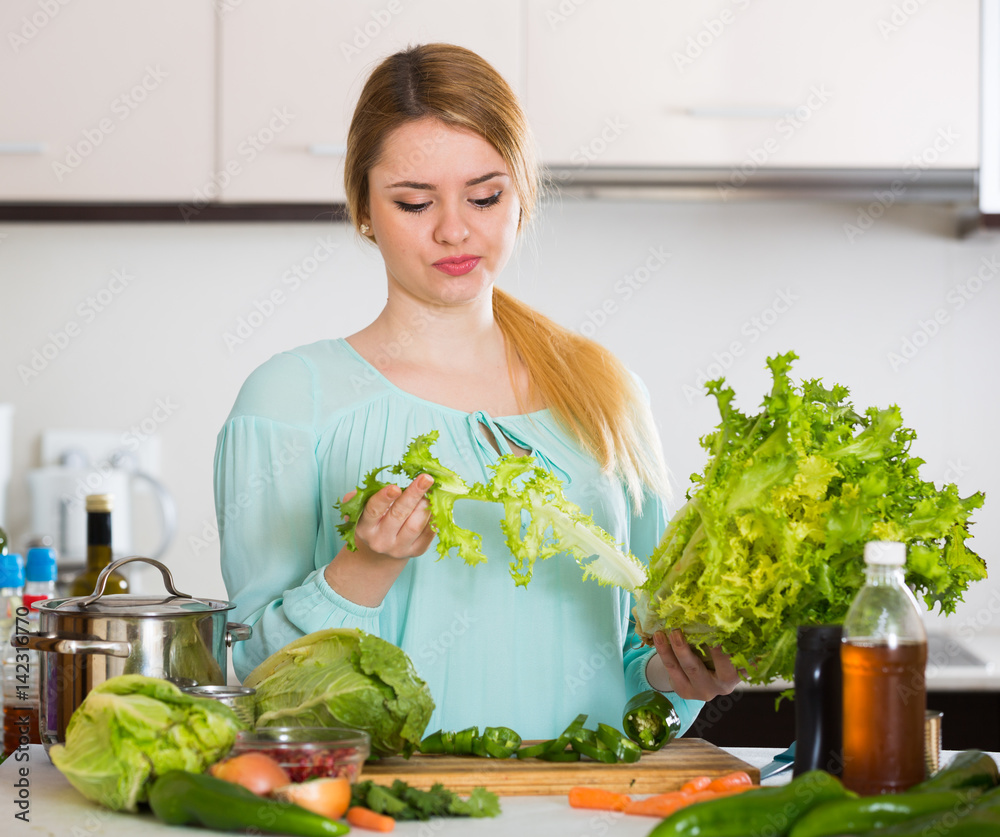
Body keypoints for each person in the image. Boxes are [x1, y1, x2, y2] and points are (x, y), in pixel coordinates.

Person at [215, 43, 739, 739]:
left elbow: (636, 658)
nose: (454, 229)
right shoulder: (288, 401)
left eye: (485, 195)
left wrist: (674, 678)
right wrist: (363, 566)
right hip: (388, 811)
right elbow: (255, 676)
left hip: (583, 811)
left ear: (521, 197)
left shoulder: (608, 394)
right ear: (363, 208)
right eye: (413, 201)